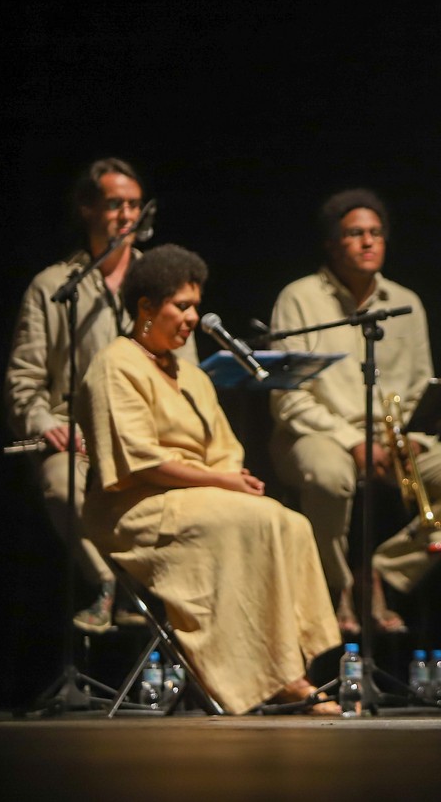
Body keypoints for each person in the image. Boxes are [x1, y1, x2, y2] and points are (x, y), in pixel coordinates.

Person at [77, 244, 341, 715]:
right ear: (146, 307)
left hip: (196, 495)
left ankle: (286, 668)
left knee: (287, 522)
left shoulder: (191, 375)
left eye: (195, 306)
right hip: (136, 506)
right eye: (182, 306)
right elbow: (140, 461)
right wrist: (221, 484)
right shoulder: (115, 364)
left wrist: (231, 476)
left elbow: (223, 449)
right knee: (245, 521)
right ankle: (256, 676)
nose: (194, 317)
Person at [269, 189, 441, 636]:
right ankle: (335, 589)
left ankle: (382, 571)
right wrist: (351, 441)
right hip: (320, 434)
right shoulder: (298, 298)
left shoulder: (405, 302)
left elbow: (420, 385)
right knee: (328, 477)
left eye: (375, 233)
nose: (367, 242)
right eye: (355, 234)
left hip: (393, 439)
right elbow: (290, 397)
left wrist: (416, 436)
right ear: (331, 243)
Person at [5, 158, 197, 633]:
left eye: (133, 205)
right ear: (88, 209)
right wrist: (45, 424)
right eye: (115, 205)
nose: (126, 216)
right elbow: (22, 382)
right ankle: (111, 583)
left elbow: (186, 373)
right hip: (76, 436)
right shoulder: (54, 287)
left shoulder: (161, 287)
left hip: (147, 438)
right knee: (60, 483)